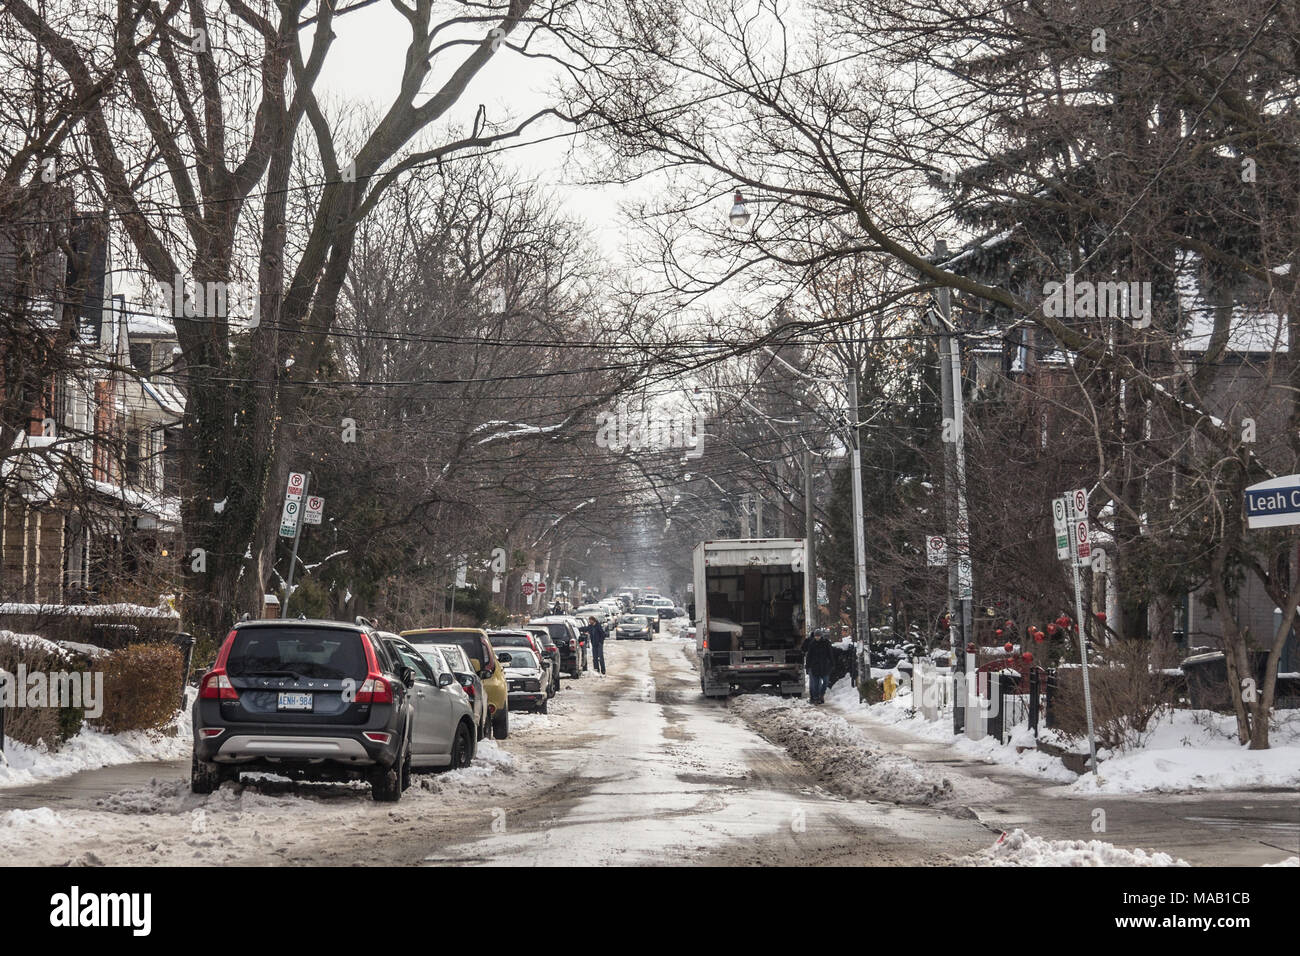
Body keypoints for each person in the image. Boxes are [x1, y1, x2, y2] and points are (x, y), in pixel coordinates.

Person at [804, 627, 834, 704]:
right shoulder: (812, 644)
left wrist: (832, 663)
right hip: (815, 666)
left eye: (818, 636)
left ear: (821, 636)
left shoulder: (826, 643)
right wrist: (807, 666)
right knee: (816, 684)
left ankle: (821, 694)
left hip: (824, 666)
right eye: (816, 636)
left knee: (826, 682)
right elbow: (809, 656)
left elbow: (830, 653)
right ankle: (816, 698)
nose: (817, 637)